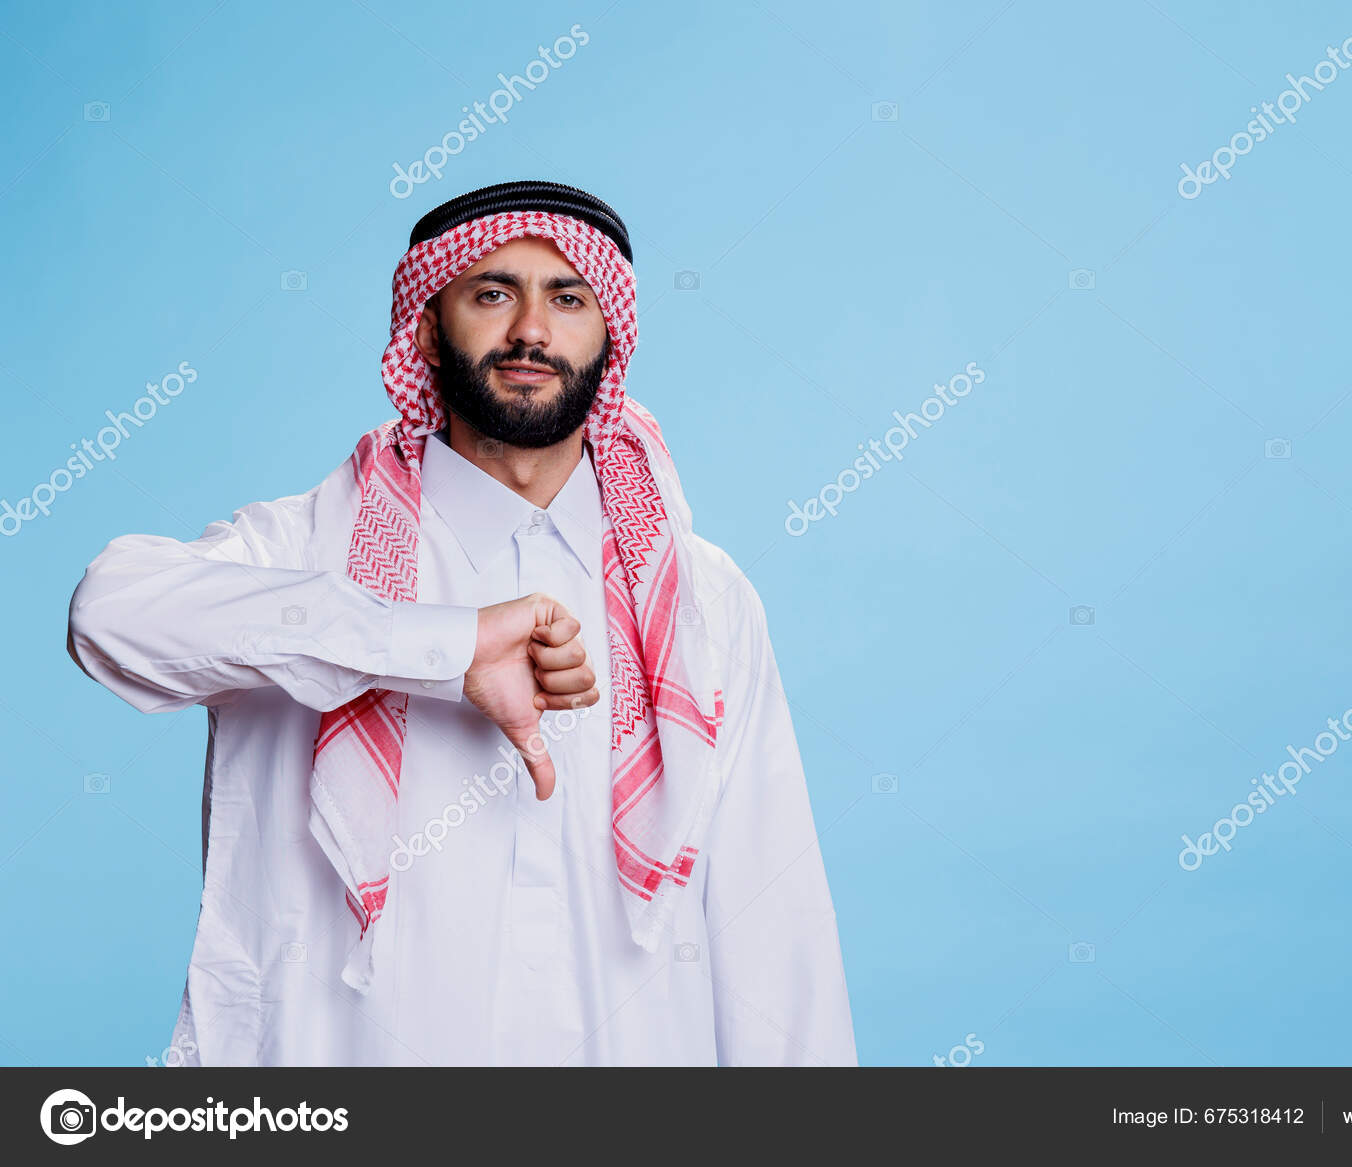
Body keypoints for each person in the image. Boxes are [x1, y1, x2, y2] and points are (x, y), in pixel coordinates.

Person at [66, 180, 857, 1066]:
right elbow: (108, 616)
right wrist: (434, 647)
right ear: (429, 328)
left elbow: (772, 930)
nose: (530, 330)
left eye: (568, 297)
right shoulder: (309, 549)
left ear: (610, 330)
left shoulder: (700, 600)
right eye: (492, 292)